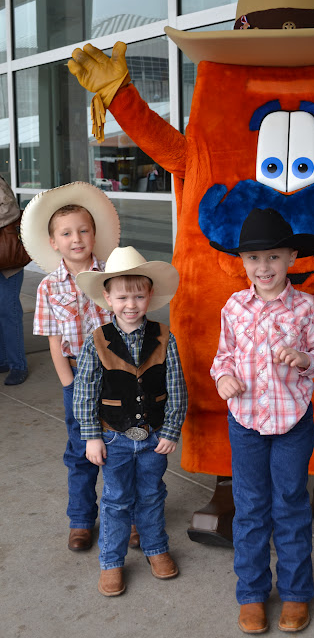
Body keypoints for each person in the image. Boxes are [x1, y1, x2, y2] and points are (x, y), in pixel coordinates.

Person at [209, 207, 314, 634]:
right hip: (245, 422)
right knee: (249, 507)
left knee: (290, 504)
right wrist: (224, 376)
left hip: (292, 422)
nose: (263, 267)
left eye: (273, 257)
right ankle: (251, 593)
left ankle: (297, 592)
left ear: (291, 258)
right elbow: (223, 355)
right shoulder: (234, 306)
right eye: (253, 258)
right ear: (242, 262)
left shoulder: (305, 307)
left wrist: (304, 359)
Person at [73, 246, 187, 597]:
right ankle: (111, 561)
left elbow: (176, 387)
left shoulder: (164, 337)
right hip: (113, 438)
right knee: (116, 498)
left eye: (138, 296)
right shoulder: (97, 341)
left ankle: (155, 549)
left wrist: (170, 430)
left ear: (149, 296)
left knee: (152, 494)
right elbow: (84, 392)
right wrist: (91, 437)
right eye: (122, 297)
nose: (131, 304)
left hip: (154, 437)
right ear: (107, 297)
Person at [21, 182, 121, 552]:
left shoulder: (113, 275)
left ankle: (123, 515)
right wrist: (69, 384)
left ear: (94, 235)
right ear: (53, 242)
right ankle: (81, 519)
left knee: (120, 447)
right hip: (78, 375)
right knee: (80, 450)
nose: (76, 239)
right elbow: (53, 340)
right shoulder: (49, 288)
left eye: (83, 230)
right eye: (66, 233)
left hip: (117, 376)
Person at [0, 176, 29, 385]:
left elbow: (10, 210)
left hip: (7, 260)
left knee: (9, 311)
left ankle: (18, 365)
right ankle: (3, 360)